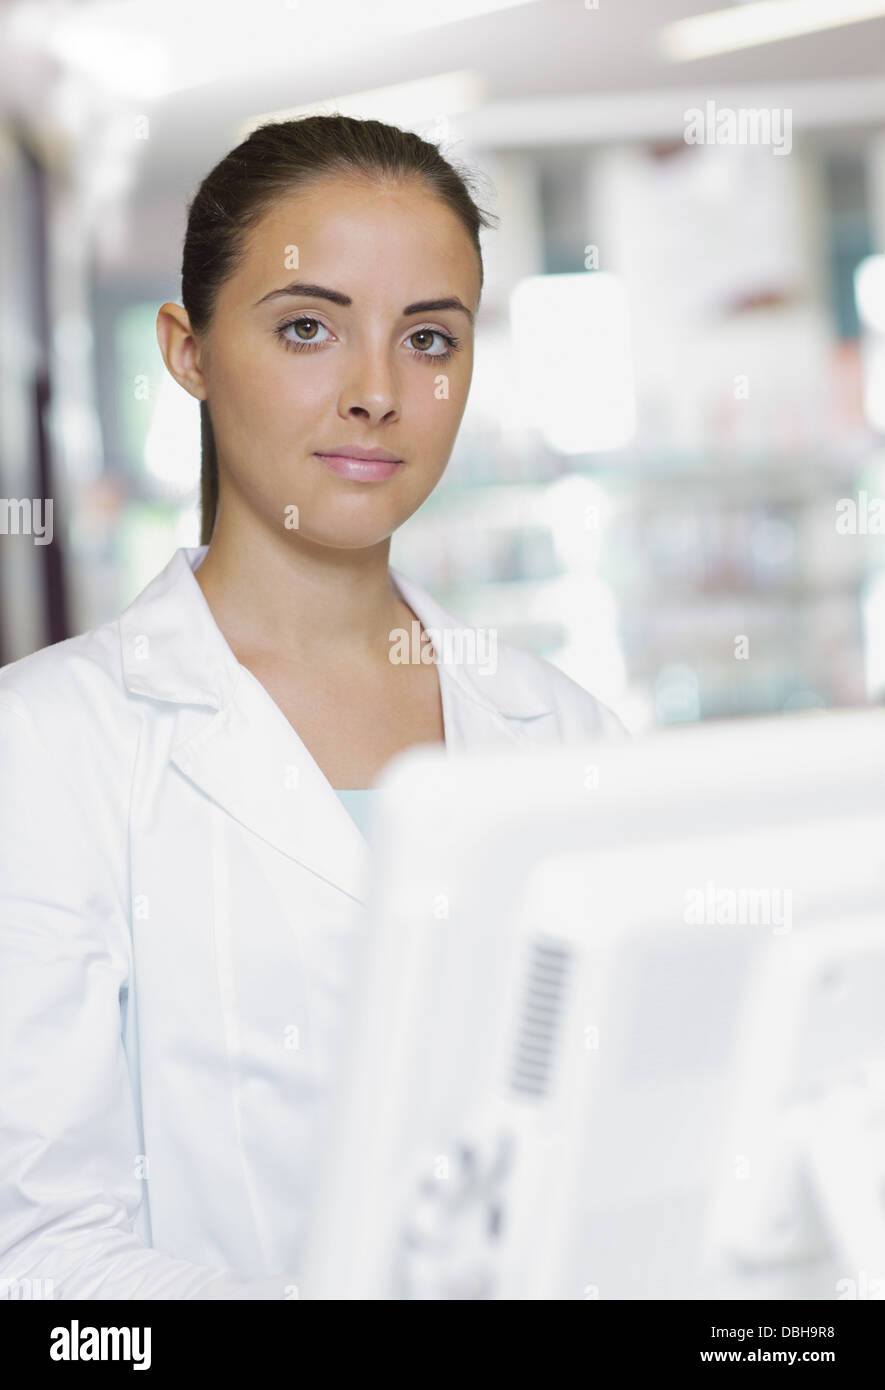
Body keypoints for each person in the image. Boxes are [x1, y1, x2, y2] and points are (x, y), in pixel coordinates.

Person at [0, 114, 627, 1301]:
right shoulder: (46, 746)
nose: (378, 393)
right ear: (186, 350)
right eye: (307, 328)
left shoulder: (570, 734)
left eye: (429, 338)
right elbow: (33, 1261)